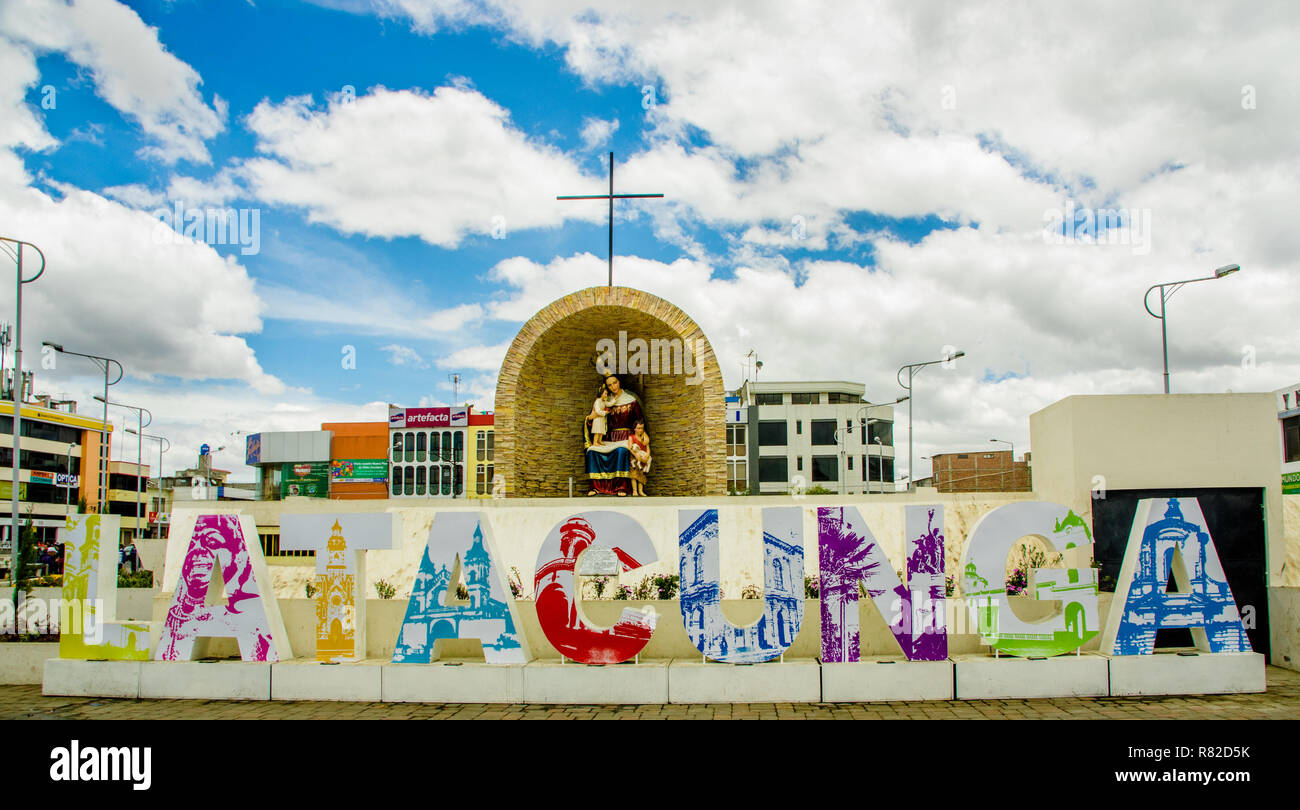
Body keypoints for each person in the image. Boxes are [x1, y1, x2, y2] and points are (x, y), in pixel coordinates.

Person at [583, 375, 645, 496]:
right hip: (607, 438)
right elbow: (594, 419)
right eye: (610, 385)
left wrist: (639, 438)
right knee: (593, 451)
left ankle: (621, 487)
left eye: (614, 383)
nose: (613, 387)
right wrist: (590, 418)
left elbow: (639, 421)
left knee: (621, 451)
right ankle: (596, 487)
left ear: (619, 382)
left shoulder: (630, 400)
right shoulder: (604, 401)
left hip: (626, 438)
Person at [628, 420, 651, 496]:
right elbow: (630, 448)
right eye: (638, 428)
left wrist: (647, 456)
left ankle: (640, 490)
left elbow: (647, 448)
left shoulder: (644, 438)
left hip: (642, 457)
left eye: (642, 428)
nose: (640, 430)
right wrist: (635, 455)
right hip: (634, 458)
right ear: (635, 429)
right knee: (634, 475)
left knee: (641, 475)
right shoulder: (631, 437)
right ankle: (635, 490)